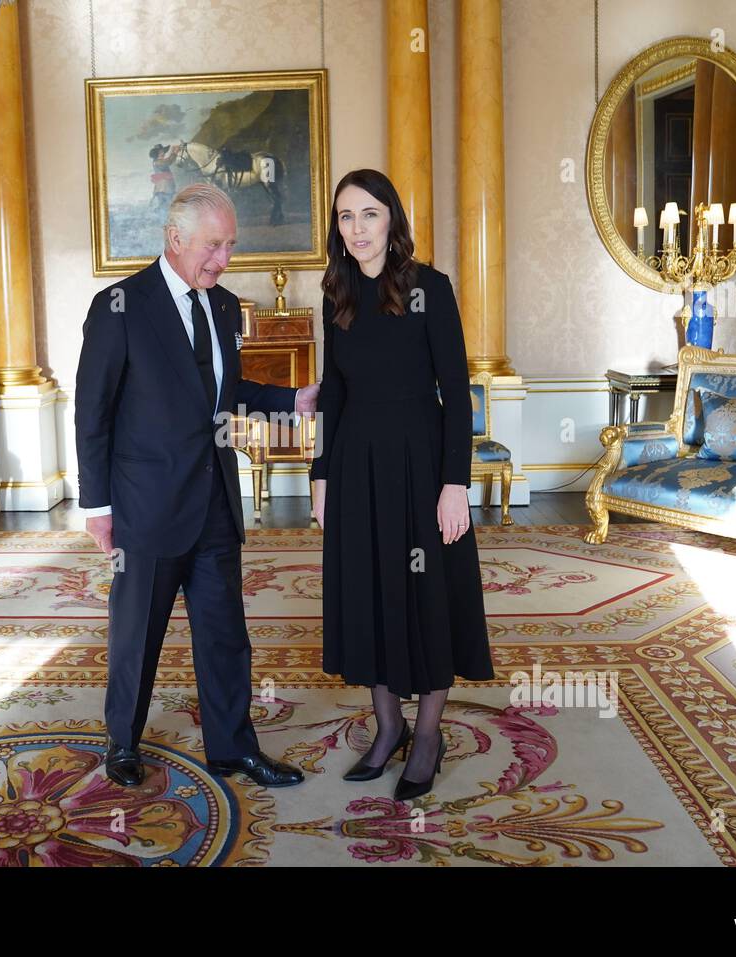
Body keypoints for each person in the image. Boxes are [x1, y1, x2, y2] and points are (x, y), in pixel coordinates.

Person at [75, 183, 320, 789]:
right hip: (144, 507)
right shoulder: (118, 306)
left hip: (214, 500)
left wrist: (293, 399)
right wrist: (98, 506)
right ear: (175, 238)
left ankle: (233, 748)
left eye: (231, 246)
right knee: (138, 634)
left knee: (224, 634)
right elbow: (91, 413)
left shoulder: (225, 306)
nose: (223, 259)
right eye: (214, 245)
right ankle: (123, 742)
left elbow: (226, 393)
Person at [310, 168, 495, 801]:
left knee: (429, 595)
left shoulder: (430, 289)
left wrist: (454, 484)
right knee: (367, 592)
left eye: (368, 214)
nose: (356, 228)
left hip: (421, 463)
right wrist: (321, 472)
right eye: (344, 217)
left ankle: (427, 736)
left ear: (392, 220)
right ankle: (387, 726)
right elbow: (332, 390)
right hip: (357, 462)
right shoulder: (335, 292)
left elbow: (458, 395)